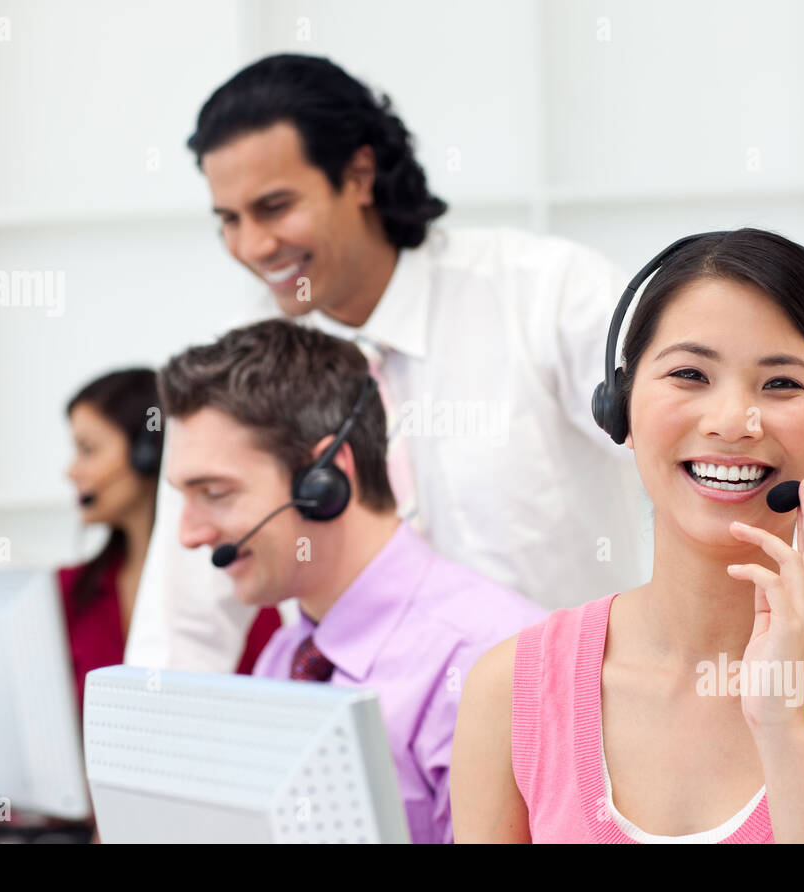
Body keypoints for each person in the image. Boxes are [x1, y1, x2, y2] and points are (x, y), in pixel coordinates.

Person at [451, 229, 804, 843]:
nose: (734, 422)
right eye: (689, 373)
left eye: (782, 383)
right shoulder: (511, 689)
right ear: (619, 408)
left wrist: (783, 729)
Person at [126, 53, 647, 673]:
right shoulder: (237, 370)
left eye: (274, 207)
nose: (253, 247)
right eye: (229, 221)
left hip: (571, 718)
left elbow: (688, 462)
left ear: (360, 175)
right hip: (366, 744)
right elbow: (182, 622)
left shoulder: (547, 293)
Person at [158, 319, 545, 844]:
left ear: (323, 480)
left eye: (216, 493)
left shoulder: (493, 661)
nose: (190, 534)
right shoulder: (285, 658)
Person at [58, 369, 280, 712]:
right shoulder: (70, 591)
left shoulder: (238, 583)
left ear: (144, 454)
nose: (71, 471)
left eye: (88, 450)